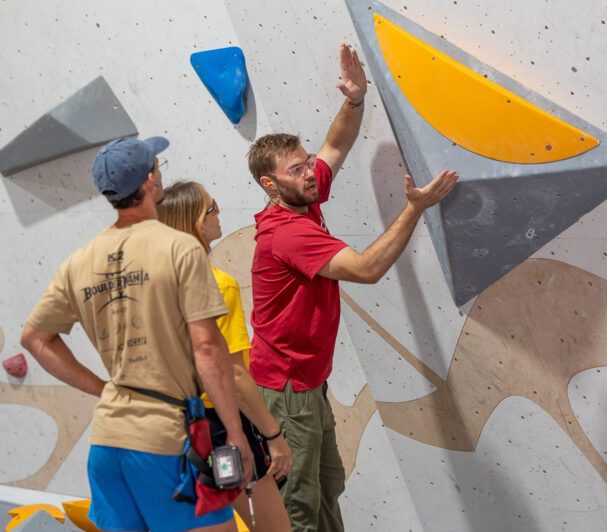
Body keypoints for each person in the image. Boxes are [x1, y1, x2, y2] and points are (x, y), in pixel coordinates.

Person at [245, 43, 459, 531]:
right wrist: (414, 208)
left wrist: (355, 100)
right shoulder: (287, 232)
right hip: (285, 389)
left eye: (304, 163)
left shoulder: (303, 199)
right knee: (297, 506)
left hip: (307, 382)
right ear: (269, 184)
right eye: (296, 169)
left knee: (327, 488)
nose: (310, 173)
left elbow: (335, 146)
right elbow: (365, 269)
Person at [20, 137, 253, 532]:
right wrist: (235, 433)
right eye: (157, 166)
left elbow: (35, 339)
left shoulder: (80, 260)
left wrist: (104, 388)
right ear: (151, 181)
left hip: (108, 443)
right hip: (164, 442)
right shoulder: (179, 248)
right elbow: (208, 349)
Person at [157, 180, 292, 532]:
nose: (219, 215)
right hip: (219, 425)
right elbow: (233, 376)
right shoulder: (217, 284)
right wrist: (274, 436)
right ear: (196, 223)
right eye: (212, 207)